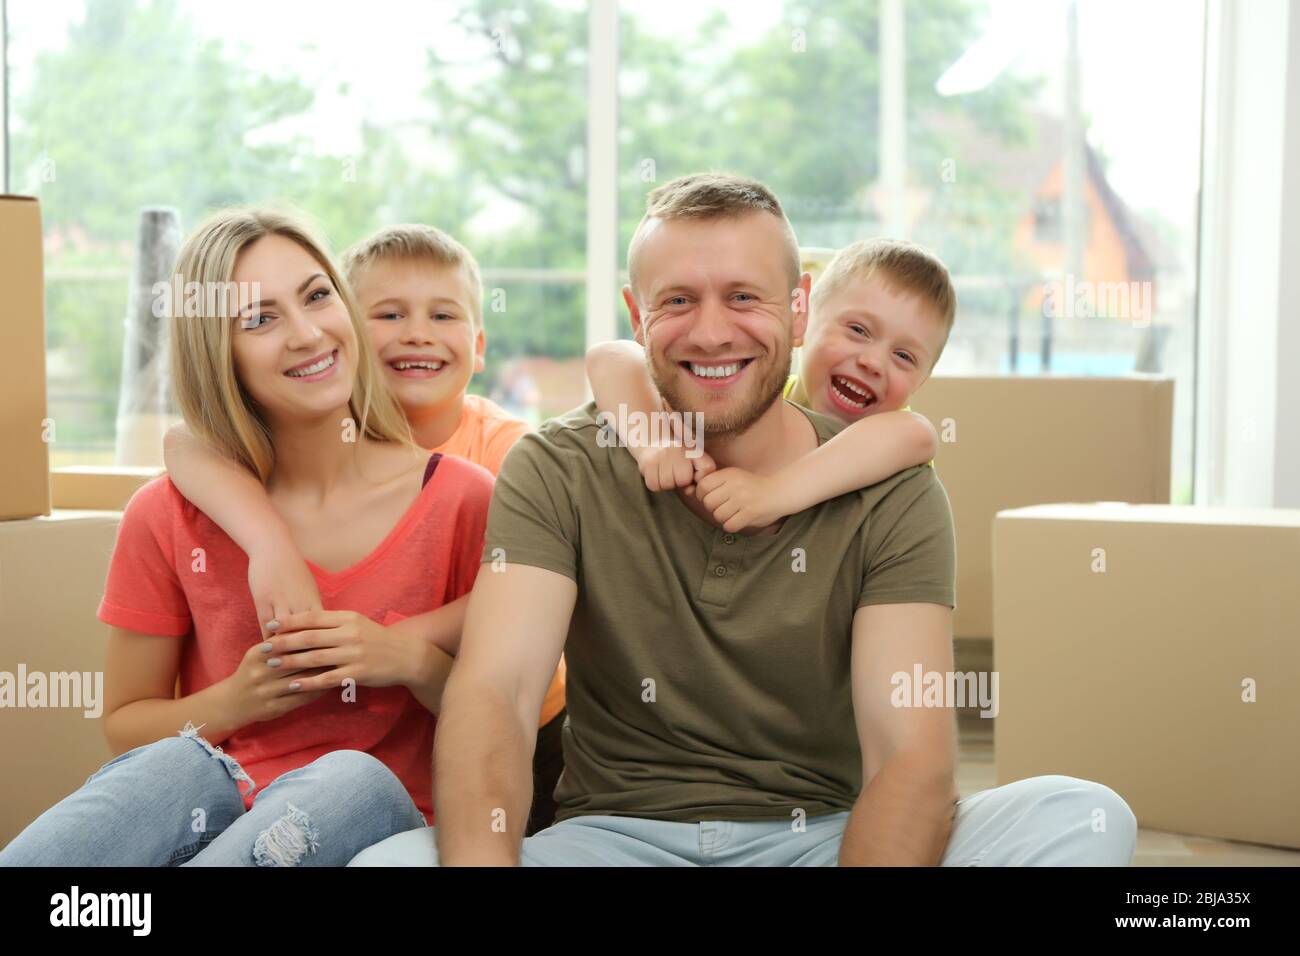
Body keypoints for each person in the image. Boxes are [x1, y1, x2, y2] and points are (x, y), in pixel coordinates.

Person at [351, 172, 1137, 867]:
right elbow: (497, 693)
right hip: (614, 839)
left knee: (1078, 815)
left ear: (797, 311)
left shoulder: (893, 490)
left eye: (744, 297)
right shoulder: (560, 465)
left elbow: (911, 755)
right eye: (679, 301)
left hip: (823, 839)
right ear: (636, 314)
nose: (713, 331)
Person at [0, 208, 492, 866]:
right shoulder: (169, 514)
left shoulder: (463, 499)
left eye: (318, 296)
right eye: (259, 319)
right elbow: (127, 725)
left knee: (350, 777)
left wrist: (410, 661)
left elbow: (504, 717)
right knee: (179, 766)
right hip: (218, 816)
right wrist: (236, 701)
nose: (307, 333)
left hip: (385, 820)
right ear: (218, 352)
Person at [162, 223, 567, 834]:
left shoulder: (498, 459)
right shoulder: (291, 443)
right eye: (389, 314)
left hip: (527, 728)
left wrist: (396, 640)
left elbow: (539, 578)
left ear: (479, 345)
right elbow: (184, 440)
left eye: (442, 315)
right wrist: (268, 542)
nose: (417, 334)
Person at [585, 236, 951, 532]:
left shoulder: (897, 435)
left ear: (923, 379)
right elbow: (610, 357)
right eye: (857, 330)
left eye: (905, 357)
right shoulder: (770, 396)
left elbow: (917, 434)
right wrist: (654, 442)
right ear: (801, 318)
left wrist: (772, 494)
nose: (872, 362)